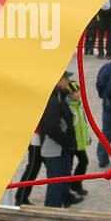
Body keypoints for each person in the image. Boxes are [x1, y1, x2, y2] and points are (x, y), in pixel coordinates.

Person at [39, 74, 79, 208]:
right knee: (55, 185)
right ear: (57, 81)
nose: (69, 81)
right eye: (65, 78)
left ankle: (65, 200)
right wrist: (66, 142)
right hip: (55, 149)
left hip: (61, 149)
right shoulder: (54, 100)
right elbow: (52, 127)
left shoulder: (59, 97)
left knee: (64, 180)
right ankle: (51, 211)